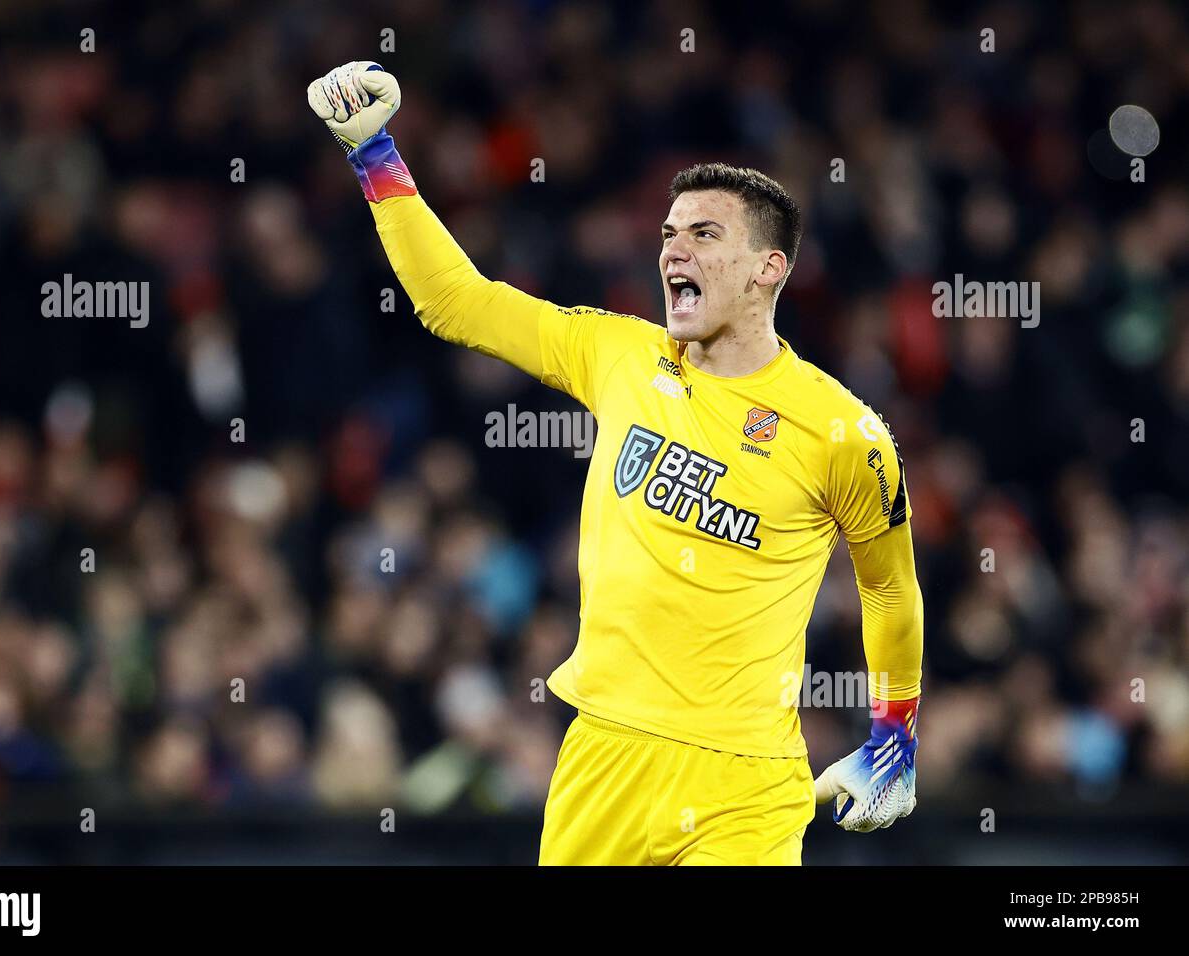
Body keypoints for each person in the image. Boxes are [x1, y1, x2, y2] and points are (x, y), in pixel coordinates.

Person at [308, 61, 923, 865]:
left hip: (749, 785)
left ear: (769, 269)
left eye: (705, 234)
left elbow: (888, 586)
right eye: (668, 232)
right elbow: (456, 301)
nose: (674, 247)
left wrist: (895, 737)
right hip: (603, 757)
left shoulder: (846, 432)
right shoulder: (620, 354)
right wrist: (374, 154)